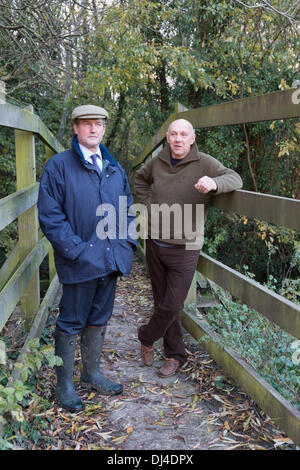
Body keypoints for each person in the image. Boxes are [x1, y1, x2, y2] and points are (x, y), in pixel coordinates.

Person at [38, 104, 137, 412]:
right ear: (76, 128)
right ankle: (65, 386)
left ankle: (91, 373)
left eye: (99, 124)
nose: (94, 129)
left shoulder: (113, 167)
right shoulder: (59, 166)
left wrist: (127, 244)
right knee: (71, 321)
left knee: (99, 318)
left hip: (110, 260)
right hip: (80, 261)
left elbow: (126, 209)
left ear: (104, 129)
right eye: (87, 124)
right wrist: (78, 251)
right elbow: (51, 216)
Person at [135, 119, 242, 378]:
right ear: (168, 138)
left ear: (192, 138)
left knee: (172, 304)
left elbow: (234, 178)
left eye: (184, 134)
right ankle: (174, 355)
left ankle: (146, 336)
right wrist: (149, 205)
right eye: (173, 134)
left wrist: (215, 184)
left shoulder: (204, 162)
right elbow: (139, 179)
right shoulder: (158, 161)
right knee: (162, 301)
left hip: (186, 245)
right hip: (155, 241)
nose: (178, 138)